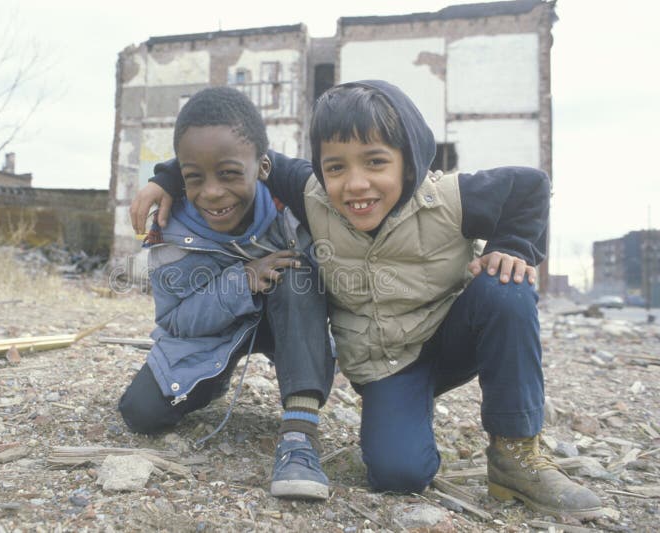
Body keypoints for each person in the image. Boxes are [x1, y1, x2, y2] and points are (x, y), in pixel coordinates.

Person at [131, 80, 603, 519]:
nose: (355, 184)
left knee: (507, 286)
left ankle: (516, 455)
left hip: (456, 337)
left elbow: (529, 187)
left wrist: (513, 248)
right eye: (336, 167)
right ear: (320, 169)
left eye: (376, 162)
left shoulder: (450, 199)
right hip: (392, 365)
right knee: (400, 475)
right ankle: (407, 422)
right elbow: (236, 155)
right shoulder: (313, 194)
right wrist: (168, 178)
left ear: (409, 160)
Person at [118, 86, 335, 500]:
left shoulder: (294, 205)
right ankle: (214, 378)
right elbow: (174, 320)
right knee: (140, 414)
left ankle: (299, 437)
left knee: (295, 273)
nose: (212, 193)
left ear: (263, 167)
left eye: (230, 174)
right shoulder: (170, 232)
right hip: (215, 330)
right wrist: (243, 280)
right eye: (193, 178)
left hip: (289, 317)